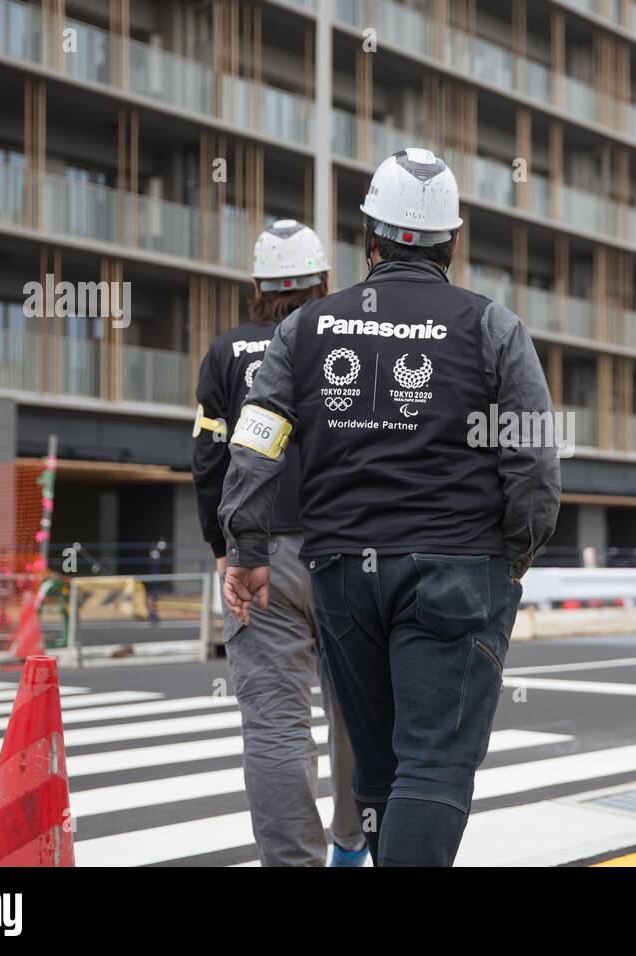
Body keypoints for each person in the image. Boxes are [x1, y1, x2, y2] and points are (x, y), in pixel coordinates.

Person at [218, 149, 562, 866]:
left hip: (341, 571)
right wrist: (514, 556)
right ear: (453, 242)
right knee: (433, 762)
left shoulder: (306, 330)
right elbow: (533, 459)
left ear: (370, 239)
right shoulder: (492, 327)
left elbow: (257, 440)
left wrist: (247, 548)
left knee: (377, 769)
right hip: (456, 568)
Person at [192, 218, 367, 867]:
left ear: (257, 285)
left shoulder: (226, 354)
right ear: (324, 281)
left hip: (263, 554)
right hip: (352, 552)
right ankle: (354, 846)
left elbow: (210, 459)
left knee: (276, 723)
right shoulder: (351, 344)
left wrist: (226, 547)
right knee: (360, 714)